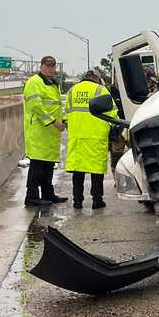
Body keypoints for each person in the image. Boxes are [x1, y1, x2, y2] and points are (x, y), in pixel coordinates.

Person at [64, 69, 117, 209]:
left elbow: (66, 114)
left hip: (77, 137)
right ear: (96, 78)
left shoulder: (72, 91)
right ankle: (97, 200)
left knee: (78, 170)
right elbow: (113, 113)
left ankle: (77, 201)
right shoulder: (101, 90)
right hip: (96, 136)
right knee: (96, 170)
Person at [22, 55, 67, 206]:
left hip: (51, 133)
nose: (50, 69)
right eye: (47, 66)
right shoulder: (34, 82)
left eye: (52, 66)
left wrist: (63, 120)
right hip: (39, 132)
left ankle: (48, 194)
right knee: (37, 166)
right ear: (41, 66)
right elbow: (36, 106)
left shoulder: (53, 84)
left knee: (48, 166)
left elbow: (58, 106)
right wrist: (53, 122)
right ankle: (32, 197)